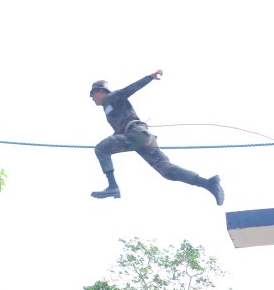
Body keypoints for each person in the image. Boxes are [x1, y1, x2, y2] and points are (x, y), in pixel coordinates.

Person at [88, 70, 224, 205]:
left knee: (100, 149)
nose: (92, 99)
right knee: (167, 171)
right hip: (143, 139)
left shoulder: (111, 97)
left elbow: (129, 90)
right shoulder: (107, 107)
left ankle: (112, 186)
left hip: (136, 134)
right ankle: (208, 184)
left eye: (93, 95)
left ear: (100, 91)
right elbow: (120, 129)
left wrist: (150, 77)